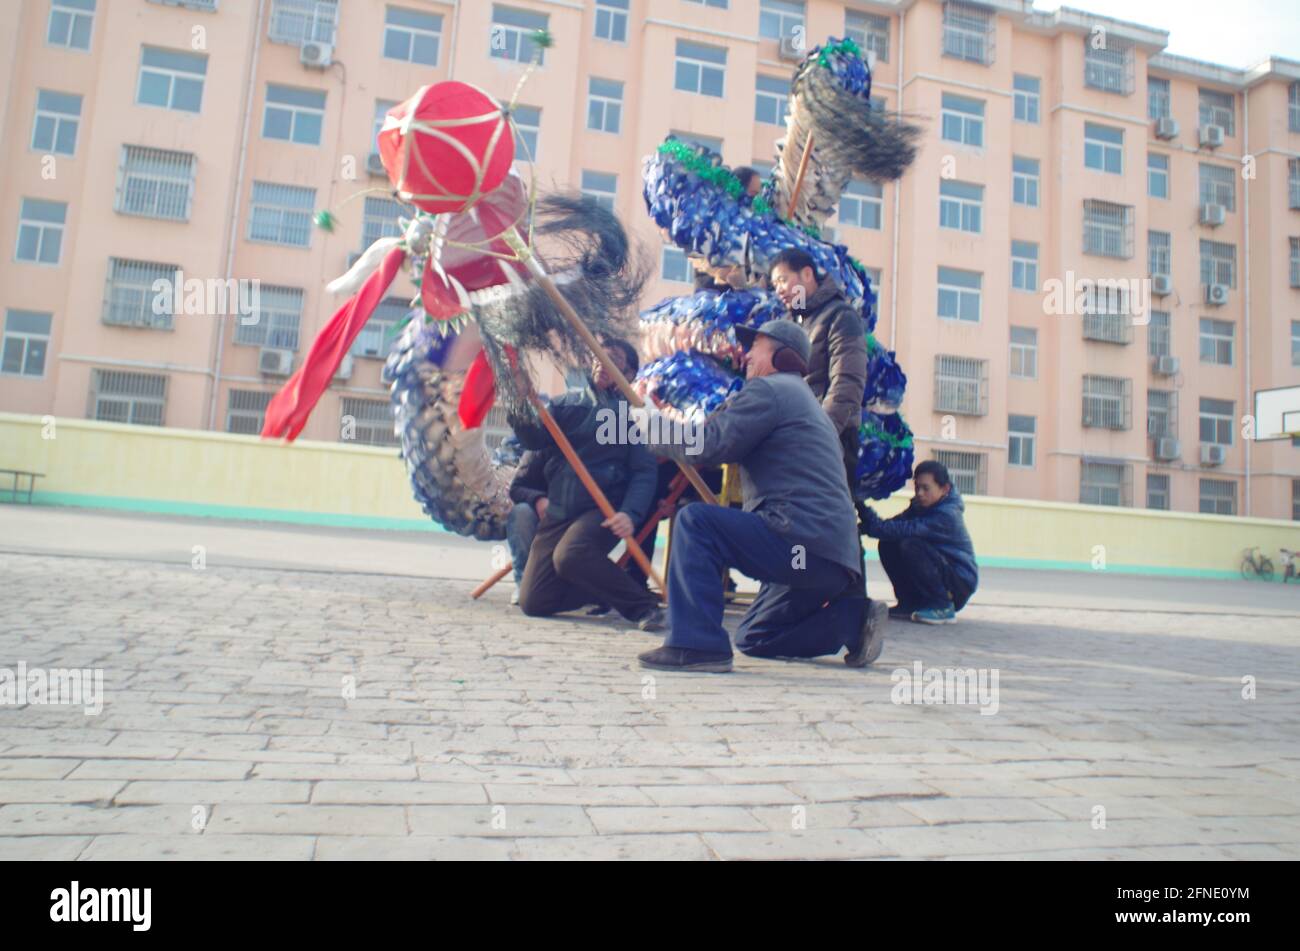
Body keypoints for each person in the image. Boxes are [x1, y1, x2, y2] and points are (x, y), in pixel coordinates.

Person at [636, 320, 887, 673]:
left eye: (756, 346)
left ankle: (695, 645)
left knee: (696, 522)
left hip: (800, 540)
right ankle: (853, 620)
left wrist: (650, 429)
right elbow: (714, 430)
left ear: (782, 355)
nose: (746, 353)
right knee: (755, 636)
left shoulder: (771, 391)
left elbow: (710, 444)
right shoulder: (801, 400)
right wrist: (661, 419)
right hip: (830, 560)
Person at [507, 339, 664, 630]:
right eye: (599, 357)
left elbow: (644, 472)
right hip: (559, 509)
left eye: (614, 360)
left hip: (602, 509)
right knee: (534, 602)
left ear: (629, 374)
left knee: (571, 554)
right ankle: (604, 591)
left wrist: (630, 513)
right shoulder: (565, 404)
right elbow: (533, 440)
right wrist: (519, 403)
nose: (603, 364)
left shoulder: (634, 415)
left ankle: (643, 607)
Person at [768, 248, 868, 487]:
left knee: (819, 519)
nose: (779, 290)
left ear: (807, 274)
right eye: (775, 285)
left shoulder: (841, 316)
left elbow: (847, 382)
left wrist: (819, 434)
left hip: (832, 439)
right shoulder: (791, 324)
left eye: (783, 280)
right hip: (795, 436)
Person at [860, 460, 978, 624]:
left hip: (958, 584)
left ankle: (942, 606)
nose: (920, 493)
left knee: (910, 545)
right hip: (941, 570)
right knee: (888, 543)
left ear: (945, 489)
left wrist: (861, 506)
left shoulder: (946, 515)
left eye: (926, 488)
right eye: (917, 487)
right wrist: (863, 520)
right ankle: (908, 603)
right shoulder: (920, 506)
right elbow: (892, 526)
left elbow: (905, 529)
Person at [505, 448, 548, 605]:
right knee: (521, 514)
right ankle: (523, 582)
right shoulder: (539, 445)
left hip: (574, 517)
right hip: (541, 515)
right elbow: (516, 488)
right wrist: (538, 499)